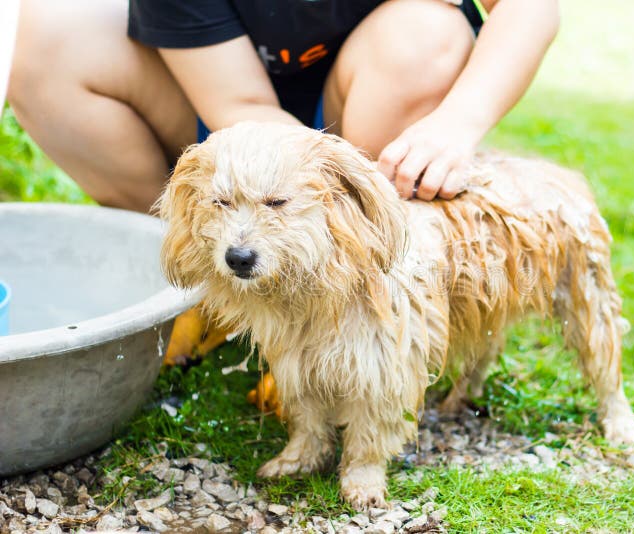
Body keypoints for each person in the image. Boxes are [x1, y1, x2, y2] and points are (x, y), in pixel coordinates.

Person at [8, 0, 559, 362]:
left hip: (373, 98)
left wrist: (458, 122)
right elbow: (237, 101)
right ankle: (203, 281)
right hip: (229, 116)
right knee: (44, 45)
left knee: (429, 33)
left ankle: (351, 293)